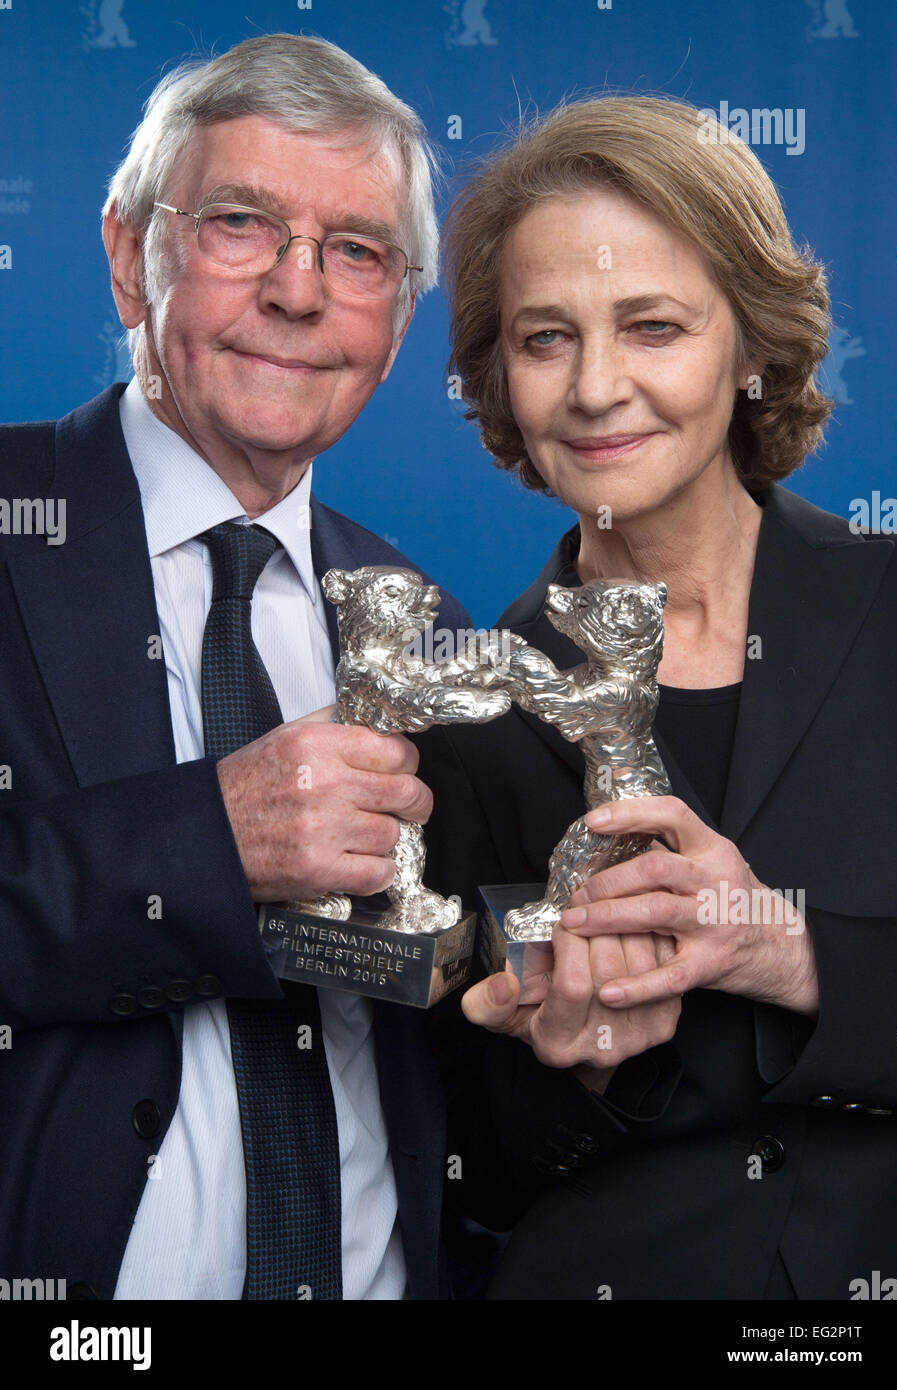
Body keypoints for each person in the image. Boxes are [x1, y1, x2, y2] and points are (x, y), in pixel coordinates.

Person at [0, 32, 511, 1302]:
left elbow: (433, 1035)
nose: (299, 290)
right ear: (131, 255)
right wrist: (206, 849)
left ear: (396, 326)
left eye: (357, 253)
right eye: (242, 223)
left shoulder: (424, 621)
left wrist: (523, 971)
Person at [431, 94, 897, 1299]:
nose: (597, 389)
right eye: (546, 338)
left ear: (751, 344)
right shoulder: (466, 718)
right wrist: (588, 1073)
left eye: (651, 326)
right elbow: (474, 1174)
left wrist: (787, 952)